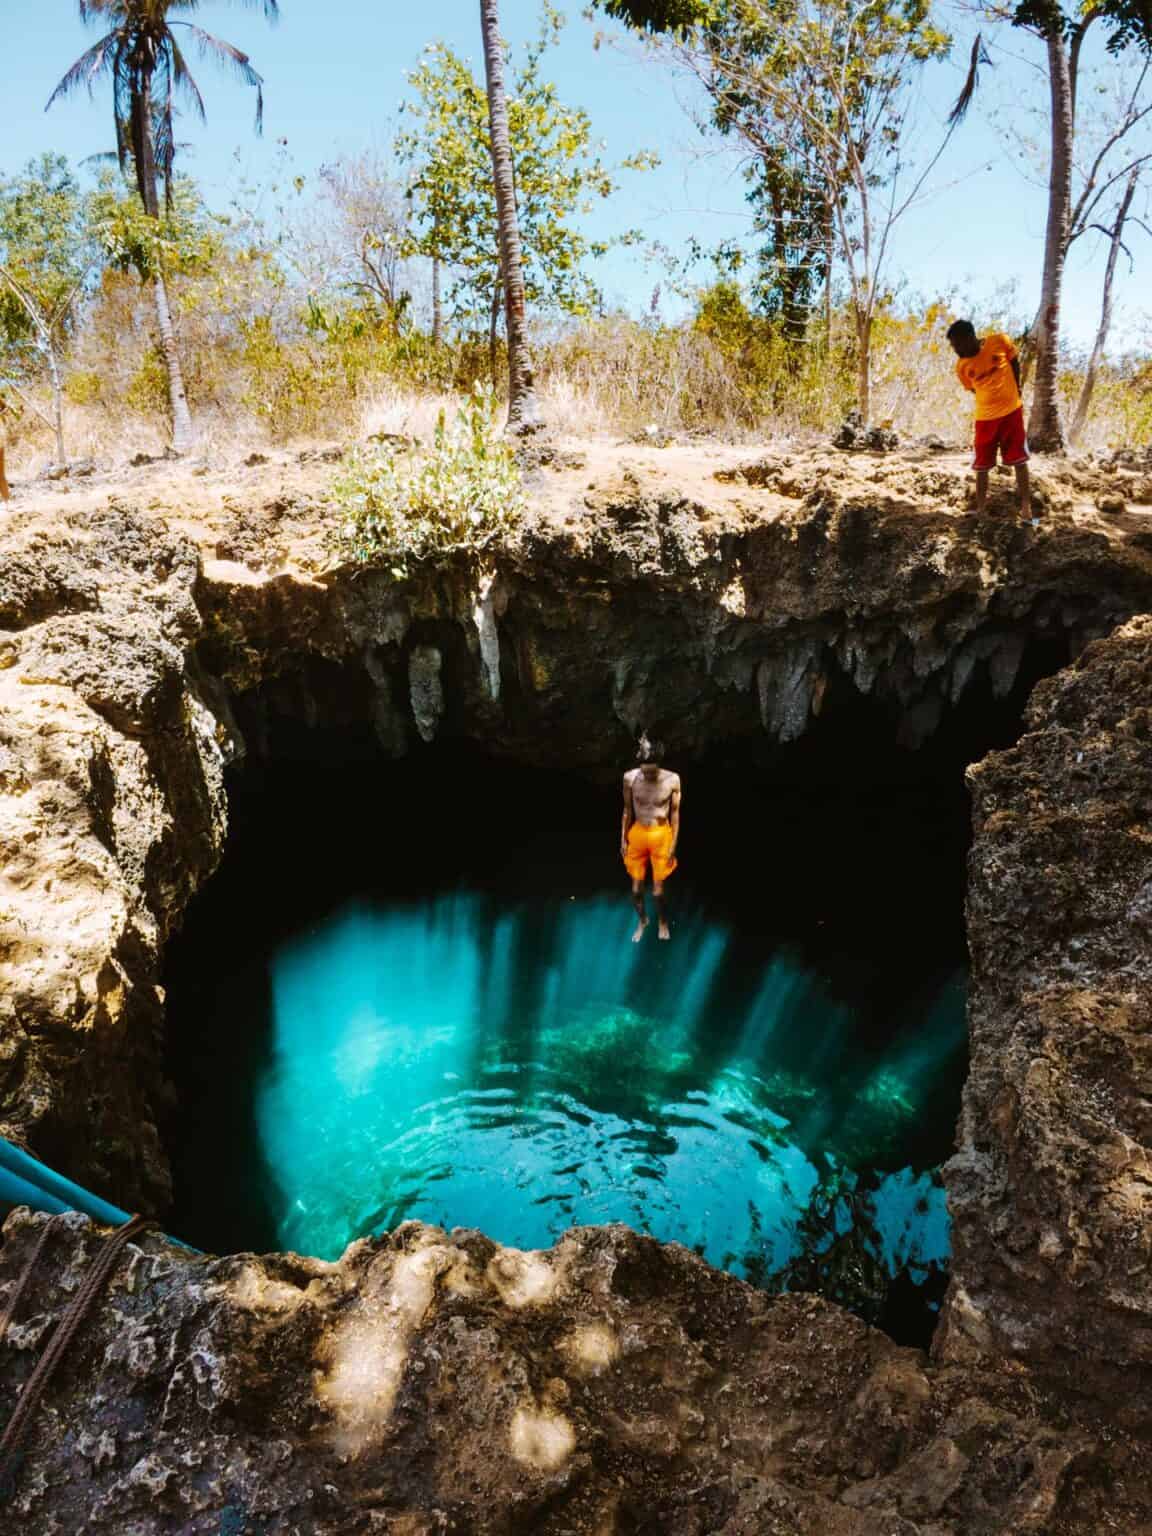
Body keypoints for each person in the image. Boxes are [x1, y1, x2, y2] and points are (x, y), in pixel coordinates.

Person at [946, 319, 1035, 524]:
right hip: (984, 419)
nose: (955, 349)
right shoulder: (962, 367)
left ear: (970, 338)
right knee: (981, 466)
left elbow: (1014, 362)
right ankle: (981, 509)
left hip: (1011, 412)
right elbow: (974, 389)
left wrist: (1016, 390)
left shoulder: (999, 341)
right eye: (953, 346)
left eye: (957, 344)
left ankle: (1026, 508)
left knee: (1019, 461)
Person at [621, 734, 681, 943]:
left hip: (661, 835)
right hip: (638, 834)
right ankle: (643, 920)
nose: (648, 775)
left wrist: (673, 844)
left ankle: (662, 921)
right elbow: (627, 810)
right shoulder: (630, 778)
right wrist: (623, 839)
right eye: (645, 771)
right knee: (636, 890)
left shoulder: (673, 779)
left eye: (652, 771)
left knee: (657, 892)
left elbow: (675, 813)